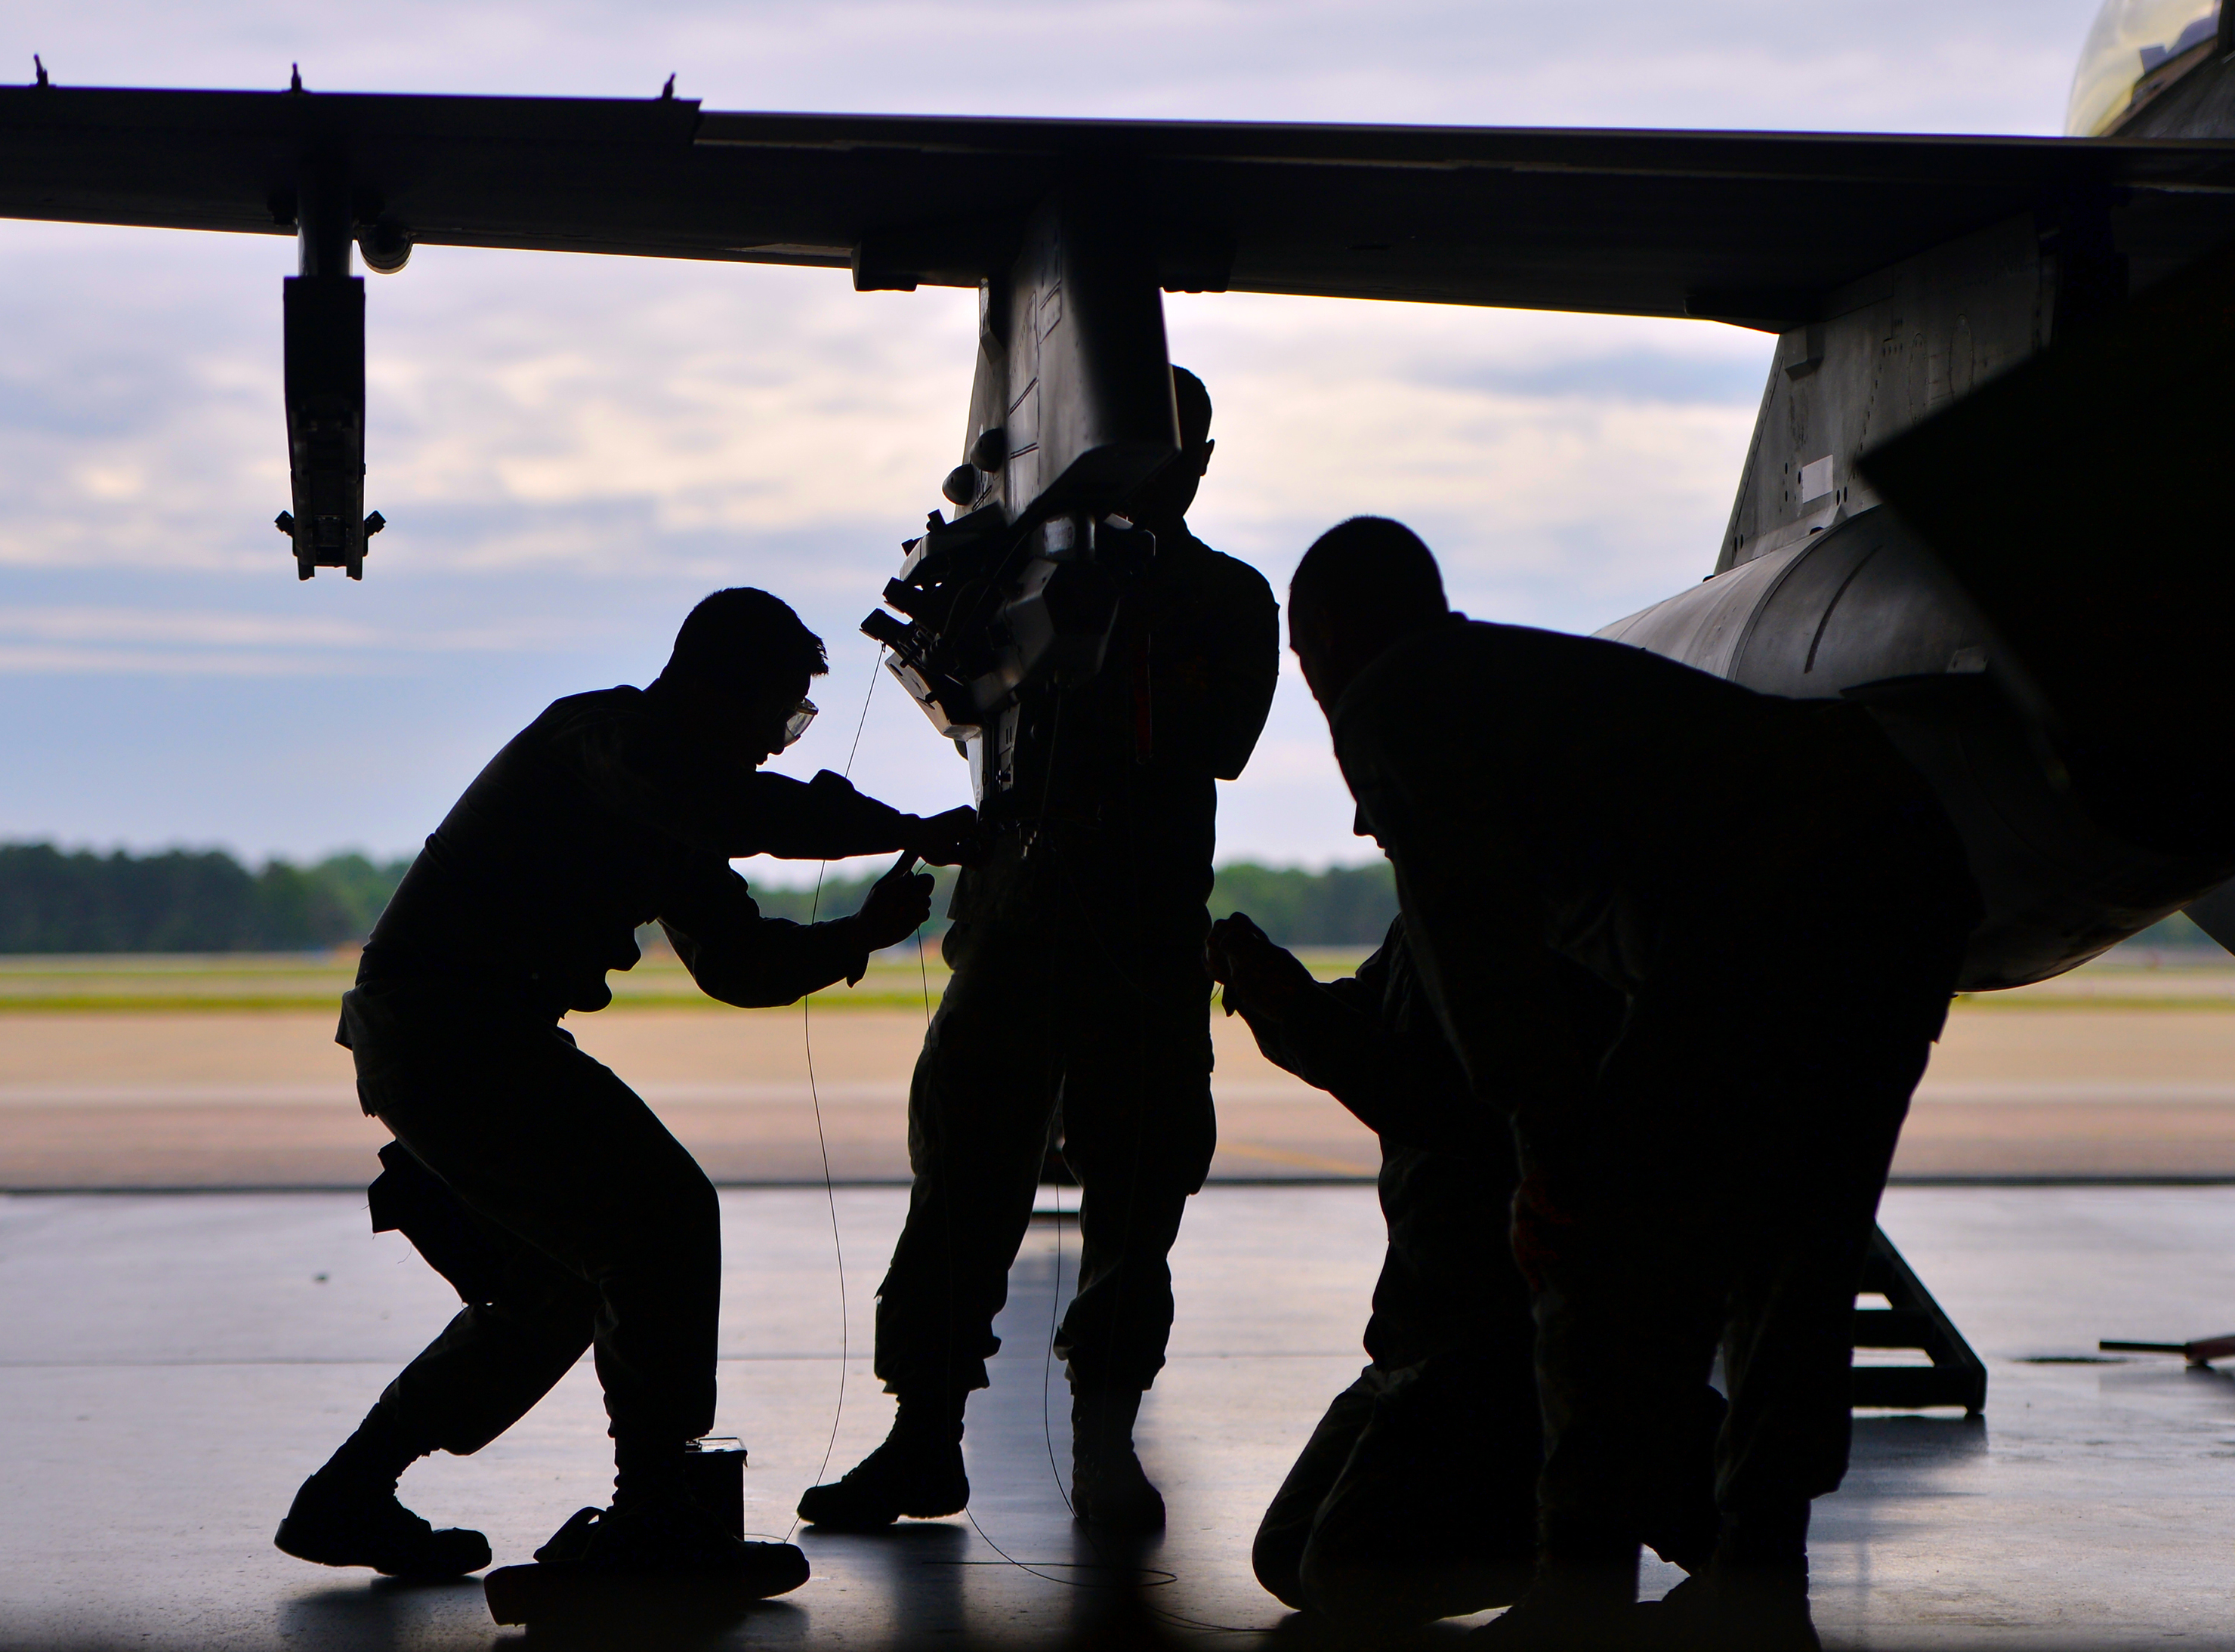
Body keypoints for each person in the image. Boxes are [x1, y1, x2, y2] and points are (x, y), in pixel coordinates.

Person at [1284, 517, 1979, 1648]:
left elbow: (1478, 958)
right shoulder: (1507, 677)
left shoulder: (1399, 699)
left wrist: (1546, 1151)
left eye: (1305, 668)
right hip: (1898, 871)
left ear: (1326, 646)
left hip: (1765, 917)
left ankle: (1584, 1581)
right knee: (1795, 1249)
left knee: (1593, 1237)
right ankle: (1761, 1574)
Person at [273, 588, 975, 1600]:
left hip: (460, 1037)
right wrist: (905, 826)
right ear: (719, 686)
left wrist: (860, 933)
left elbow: (738, 963)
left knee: (557, 1287)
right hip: (449, 1031)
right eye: (779, 714)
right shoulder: (609, 741)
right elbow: (737, 813)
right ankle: (653, 1509)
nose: (779, 744)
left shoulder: (670, 796)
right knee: (664, 1218)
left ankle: (349, 1492)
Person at [799, 368, 1281, 1533]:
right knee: (960, 1176)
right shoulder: (1016, 569)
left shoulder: (1220, 595)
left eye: (1176, 451)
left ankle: (1105, 1440)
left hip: (1136, 924)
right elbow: (957, 697)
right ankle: (925, 1438)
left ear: (1201, 464)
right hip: (1017, 923)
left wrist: (1126, 617)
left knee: (1137, 1190)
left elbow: (1222, 742)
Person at [1212, 910, 1719, 1629]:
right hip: (1421, 1324)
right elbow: (1372, 1027)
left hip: (1496, 1333)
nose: (1364, 825)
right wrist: (1274, 995)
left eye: (1382, 799)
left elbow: (1437, 1098)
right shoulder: (1429, 917)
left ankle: (1614, 1519)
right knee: (1289, 1557)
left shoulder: (1550, 936)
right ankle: (1599, 1485)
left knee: (1347, 1574)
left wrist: (1291, 1003)